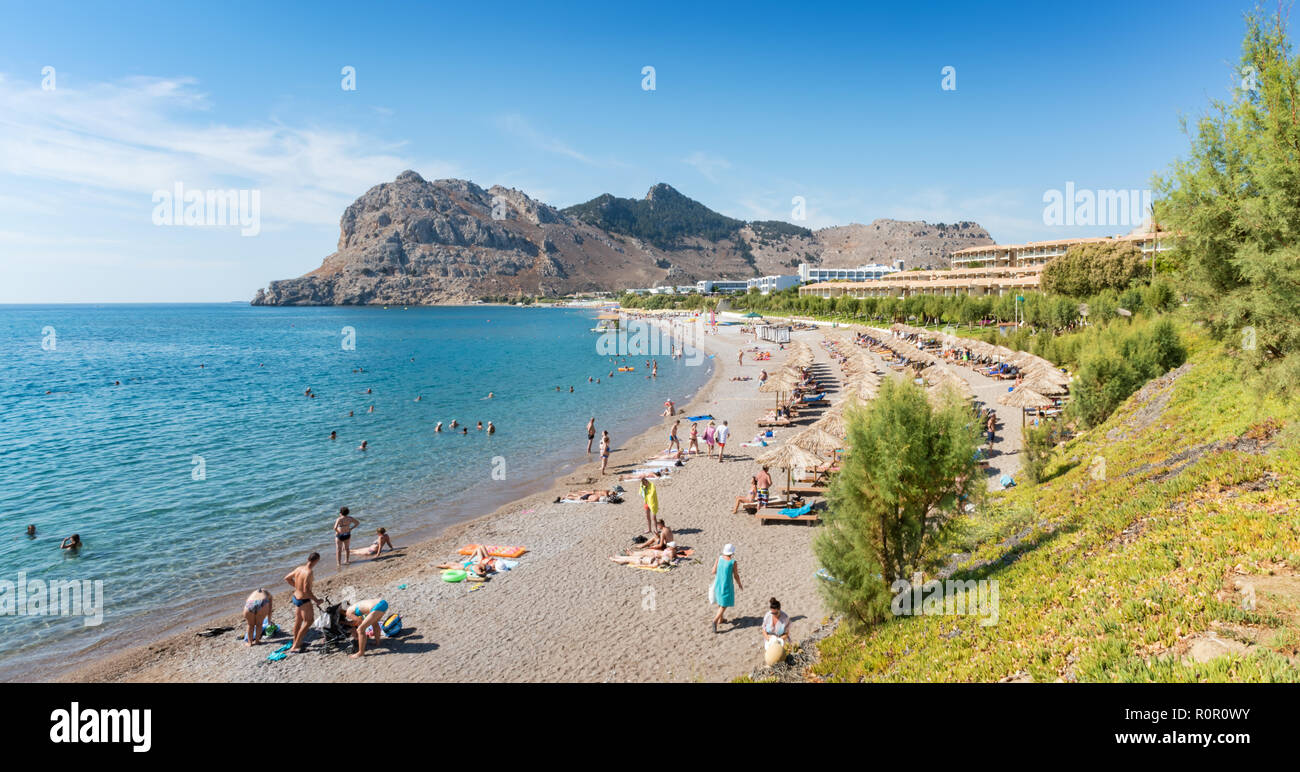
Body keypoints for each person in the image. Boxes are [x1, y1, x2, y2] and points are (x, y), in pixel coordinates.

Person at [284, 553, 322, 653]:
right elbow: (306, 591)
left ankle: (296, 642)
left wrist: (297, 587)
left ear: (308, 559)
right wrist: (317, 600)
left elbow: (287, 578)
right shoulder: (309, 572)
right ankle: (296, 646)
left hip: (296, 597)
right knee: (309, 621)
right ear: (317, 561)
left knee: (299, 621)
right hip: (304, 600)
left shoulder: (299, 568)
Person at [711, 544, 742, 632]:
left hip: (718, 583)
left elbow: (713, 571)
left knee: (720, 601)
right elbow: (736, 575)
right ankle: (715, 620)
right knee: (724, 604)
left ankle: (721, 619)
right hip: (726, 584)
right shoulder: (733, 562)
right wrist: (739, 583)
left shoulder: (719, 558)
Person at [609, 543, 676, 567]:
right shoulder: (659, 560)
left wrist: (639, 565)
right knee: (629, 558)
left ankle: (616, 559)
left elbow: (650, 566)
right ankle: (619, 557)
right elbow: (671, 560)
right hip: (643, 558)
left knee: (628, 559)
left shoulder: (656, 563)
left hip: (641, 560)